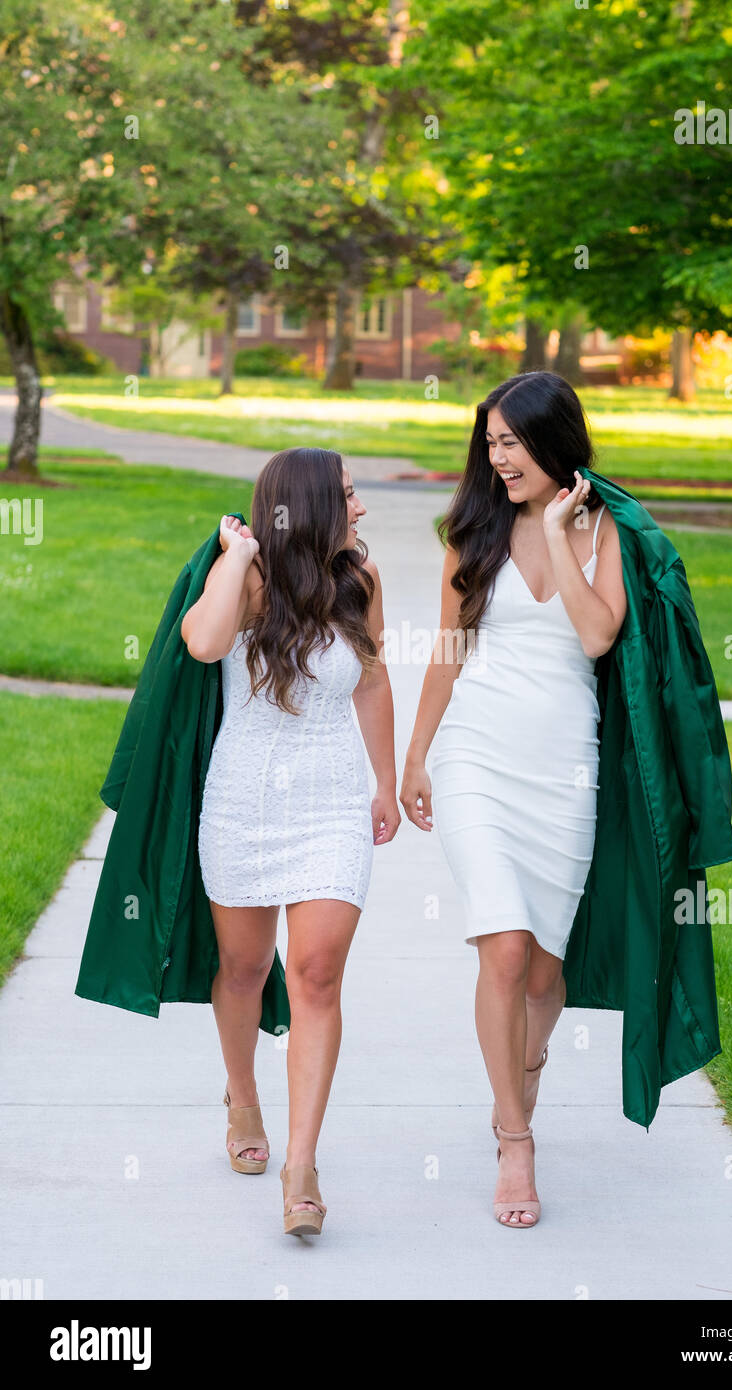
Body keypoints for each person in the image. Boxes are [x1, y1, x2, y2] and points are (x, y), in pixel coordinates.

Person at [400, 372, 627, 1228]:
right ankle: (516, 1138)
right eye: (489, 444)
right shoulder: (473, 532)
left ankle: (517, 1089)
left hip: (565, 766)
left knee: (543, 974)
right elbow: (448, 653)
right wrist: (415, 758)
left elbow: (597, 633)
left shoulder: (607, 530)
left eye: (512, 443)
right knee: (502, 950)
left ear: (553, 440)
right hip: (478, 759)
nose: (498, 460)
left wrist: (564, 532)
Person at [181, 447, 400, 1236]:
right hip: (243, 802)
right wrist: (237, 552)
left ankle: (301, 1165)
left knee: (315, 975)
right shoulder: (244, 577)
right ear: (307, 507)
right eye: (347, 497)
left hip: (331, 802)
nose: (361, 510)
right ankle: (243, 1100)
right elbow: (203, 645)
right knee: (243, 970)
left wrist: (386, 779)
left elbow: (371, 680)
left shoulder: (361, 584)